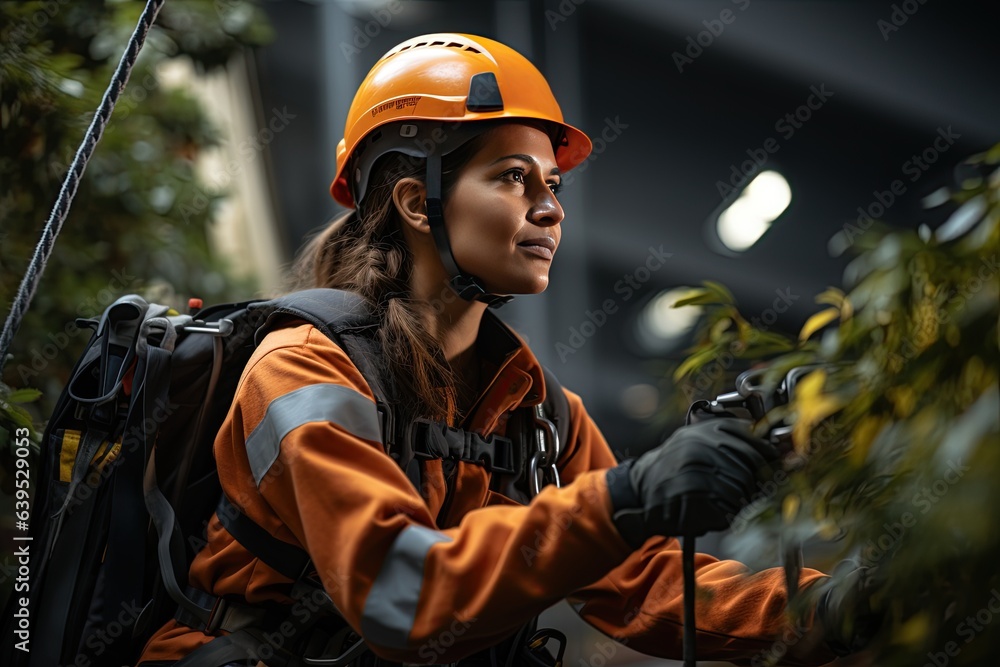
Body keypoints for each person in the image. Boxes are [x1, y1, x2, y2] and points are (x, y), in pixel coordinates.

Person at [136, 33, 864, 666]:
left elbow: (645, 582)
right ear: (418, 203)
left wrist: (840, 608)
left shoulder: (538, 410)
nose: (551, 207)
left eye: (551, 183)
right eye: (514, 177)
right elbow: (400, 595)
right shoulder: (302, 367)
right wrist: (629, 496)